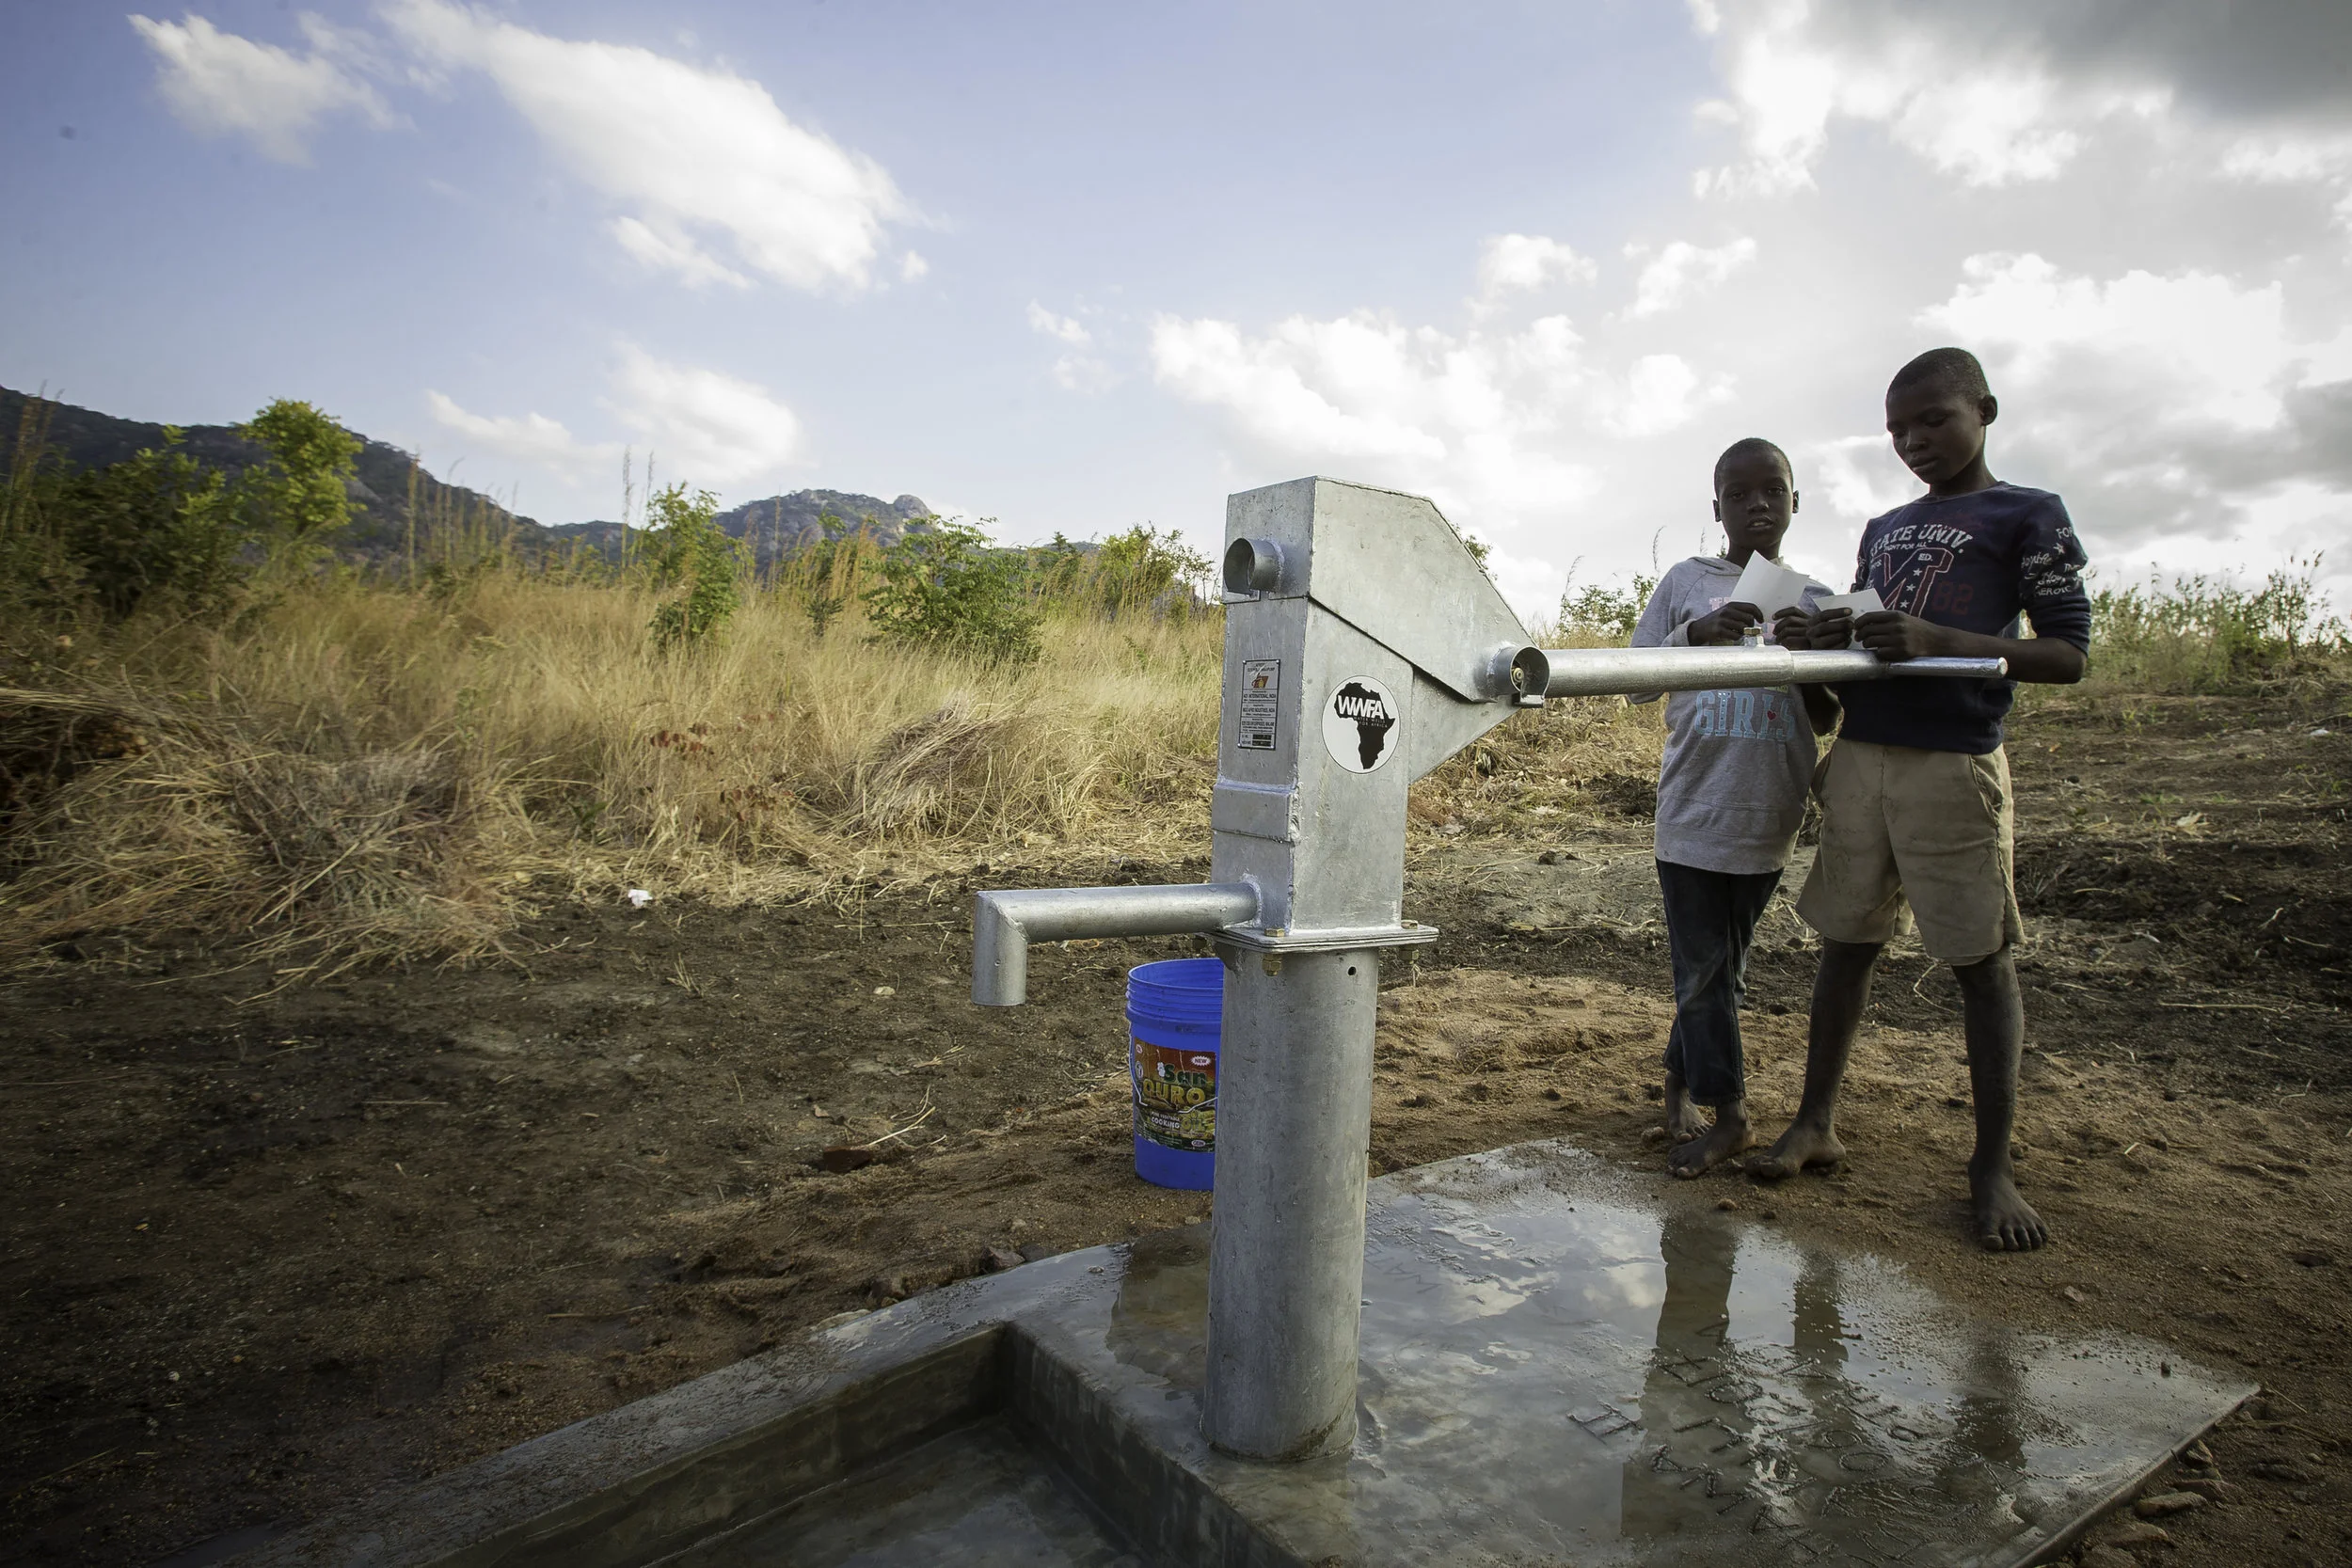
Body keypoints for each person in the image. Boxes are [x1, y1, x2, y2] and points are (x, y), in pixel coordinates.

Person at [1758, 347, 2090, 1253]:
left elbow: (2066, 653)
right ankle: (1816, 1120)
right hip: (1864, 756)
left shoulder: (2028, 514)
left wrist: (1937, 635)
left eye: (1932, 421)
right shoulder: (1887, 524)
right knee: (1846, 943)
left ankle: (1992, 1167)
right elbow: (1877, 636)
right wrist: (1829, 631)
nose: (1913, 442)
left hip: (1954, 764)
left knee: (1980, 961)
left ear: (1983, 409)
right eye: (1898, 430)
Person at [1629, 438, 1838, 1178]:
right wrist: (1696, 635)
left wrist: (1806, 654)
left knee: (1723, 972)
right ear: (1716, 506)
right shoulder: (1686, 581)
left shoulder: (1813, 596)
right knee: (1705, 973)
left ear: (1793, 501)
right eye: (1740, 493)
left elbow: (1822, 717)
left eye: (1772, 491)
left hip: (1766, 816)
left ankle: (1680, 1080)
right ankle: (1734, 1114)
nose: (1758, 504)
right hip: (1693, 811)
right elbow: (1633, 680)